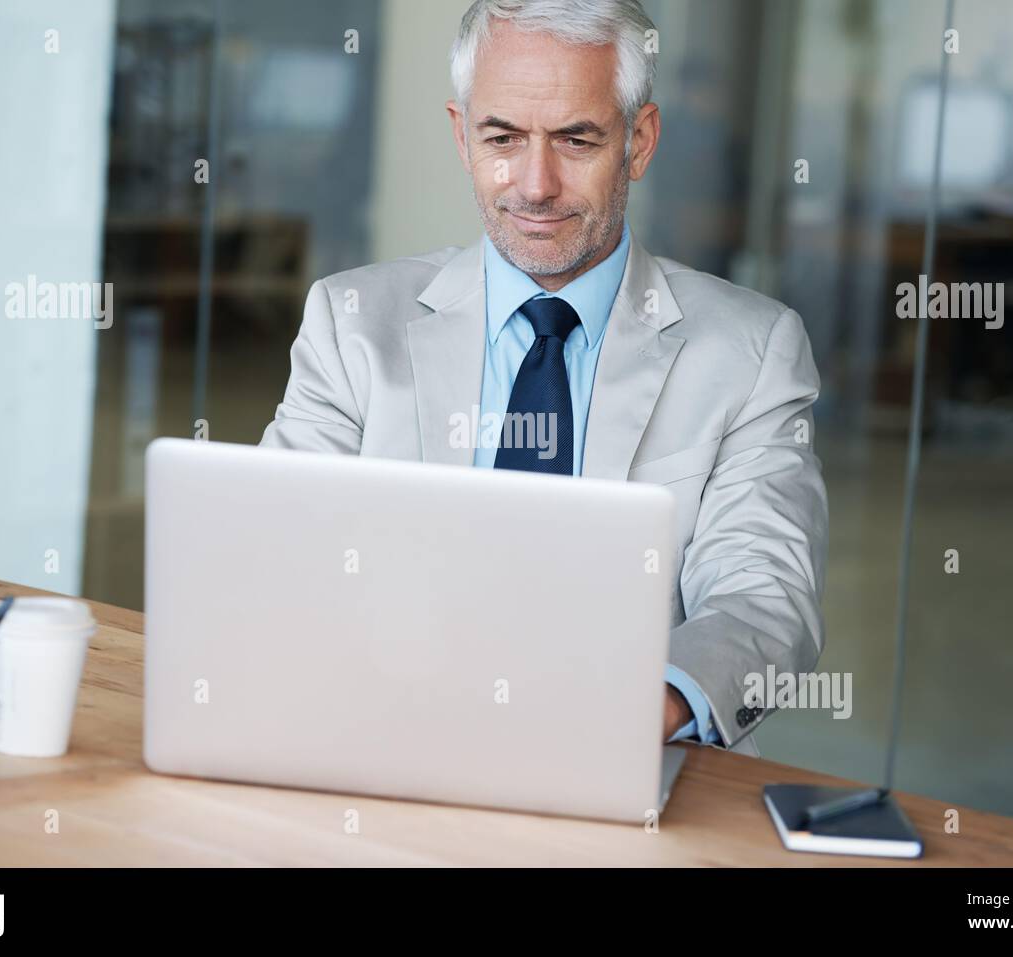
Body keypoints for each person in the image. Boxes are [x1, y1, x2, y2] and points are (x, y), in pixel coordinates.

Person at [261, 0, 827, 755]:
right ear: (463, 135)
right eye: (503, 138)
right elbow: (275, 555)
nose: (535, 184)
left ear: (639, 141)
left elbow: (764, 598)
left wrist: (639, 711)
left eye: (576, 139)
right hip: (382, 741)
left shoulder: (753, 352)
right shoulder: (350, 323)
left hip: (627, 764)